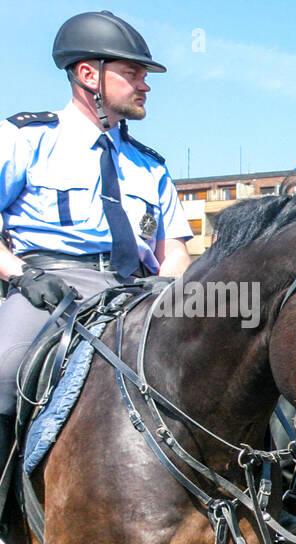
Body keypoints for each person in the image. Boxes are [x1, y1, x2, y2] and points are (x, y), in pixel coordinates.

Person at [0, 10, 191, 468]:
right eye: (133, 74)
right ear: (88, 74)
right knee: (2, 374)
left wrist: (167, 286)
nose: (145, 85)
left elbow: (175, 250)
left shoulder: (151, 165)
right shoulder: (26, 138)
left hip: (138, 293)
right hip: (50, 288)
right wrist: (22, 275)